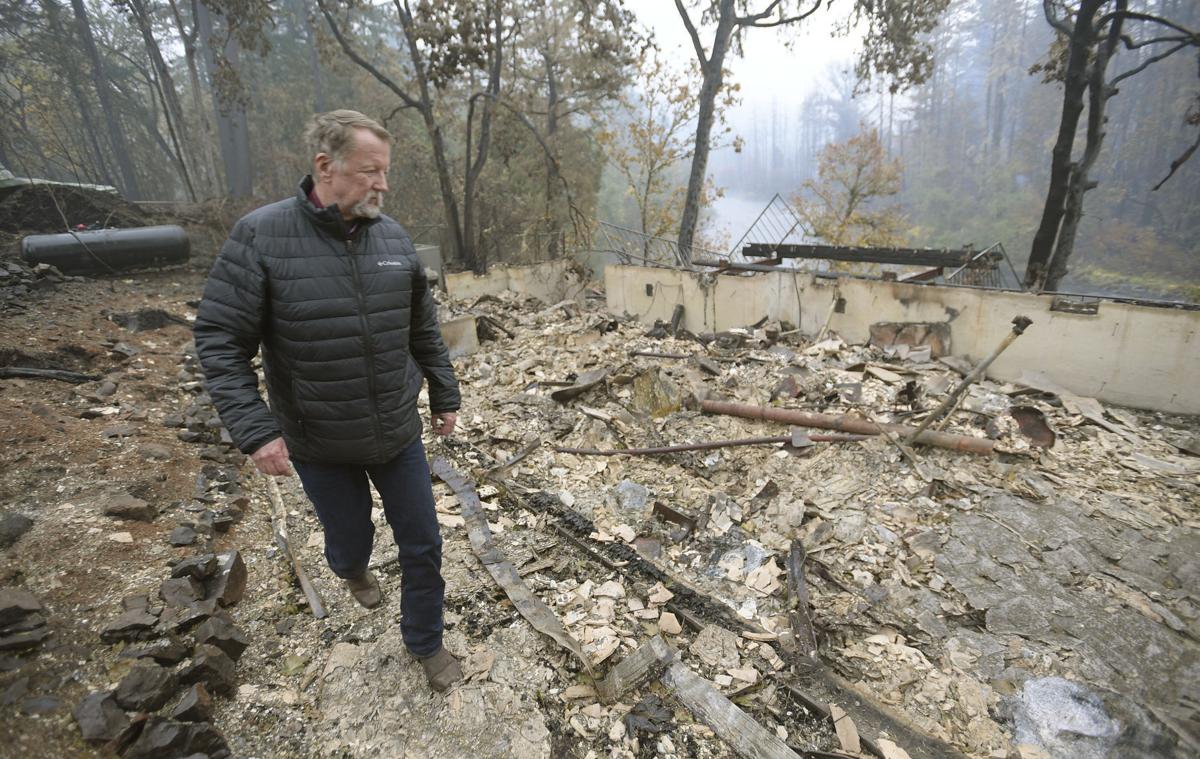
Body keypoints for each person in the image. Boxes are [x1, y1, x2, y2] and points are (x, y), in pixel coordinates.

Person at [193, 109, 462, 692]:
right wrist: (257, 430)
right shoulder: (262, 236)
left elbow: (422, 329)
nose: (382, 184)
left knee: (423, 543)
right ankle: (350, 568)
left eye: (385, 171)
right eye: (370, 171)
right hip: (319, 439)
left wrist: (445, 392)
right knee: (350, 537)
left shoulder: (393, 239)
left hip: (396, 431)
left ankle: (426, 642)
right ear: (325, 166)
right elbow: (219, 339)